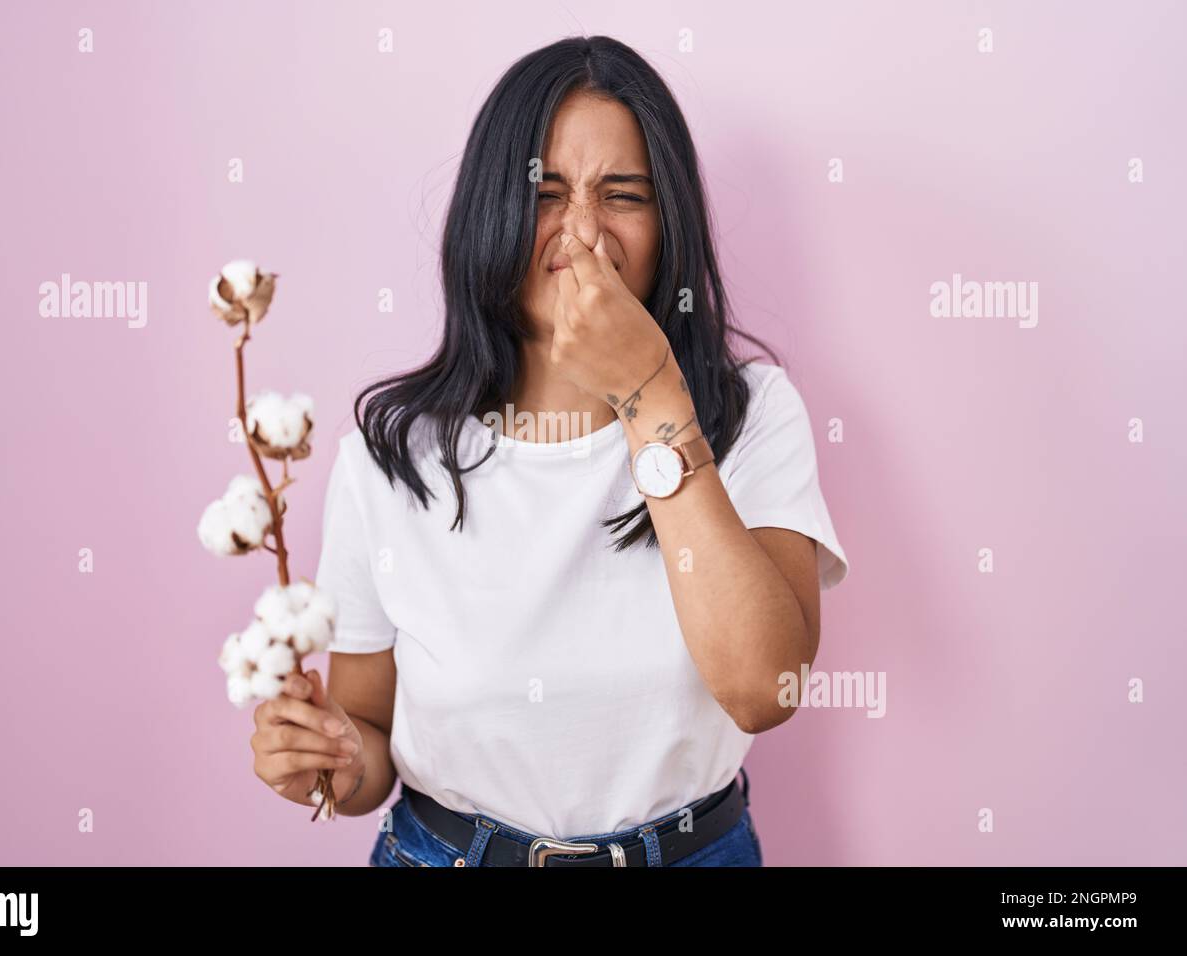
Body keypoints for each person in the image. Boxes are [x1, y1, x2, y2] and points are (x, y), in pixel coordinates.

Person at [250, 35, 849, 867]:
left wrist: (649, 395)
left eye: (623, 195)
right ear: (491, 209)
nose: (583, 232)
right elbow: (372, 746)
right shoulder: (391, 456)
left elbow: (762, 690)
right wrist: (330, 761)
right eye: (547, 192)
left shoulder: (753, 416)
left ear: (666, 221)